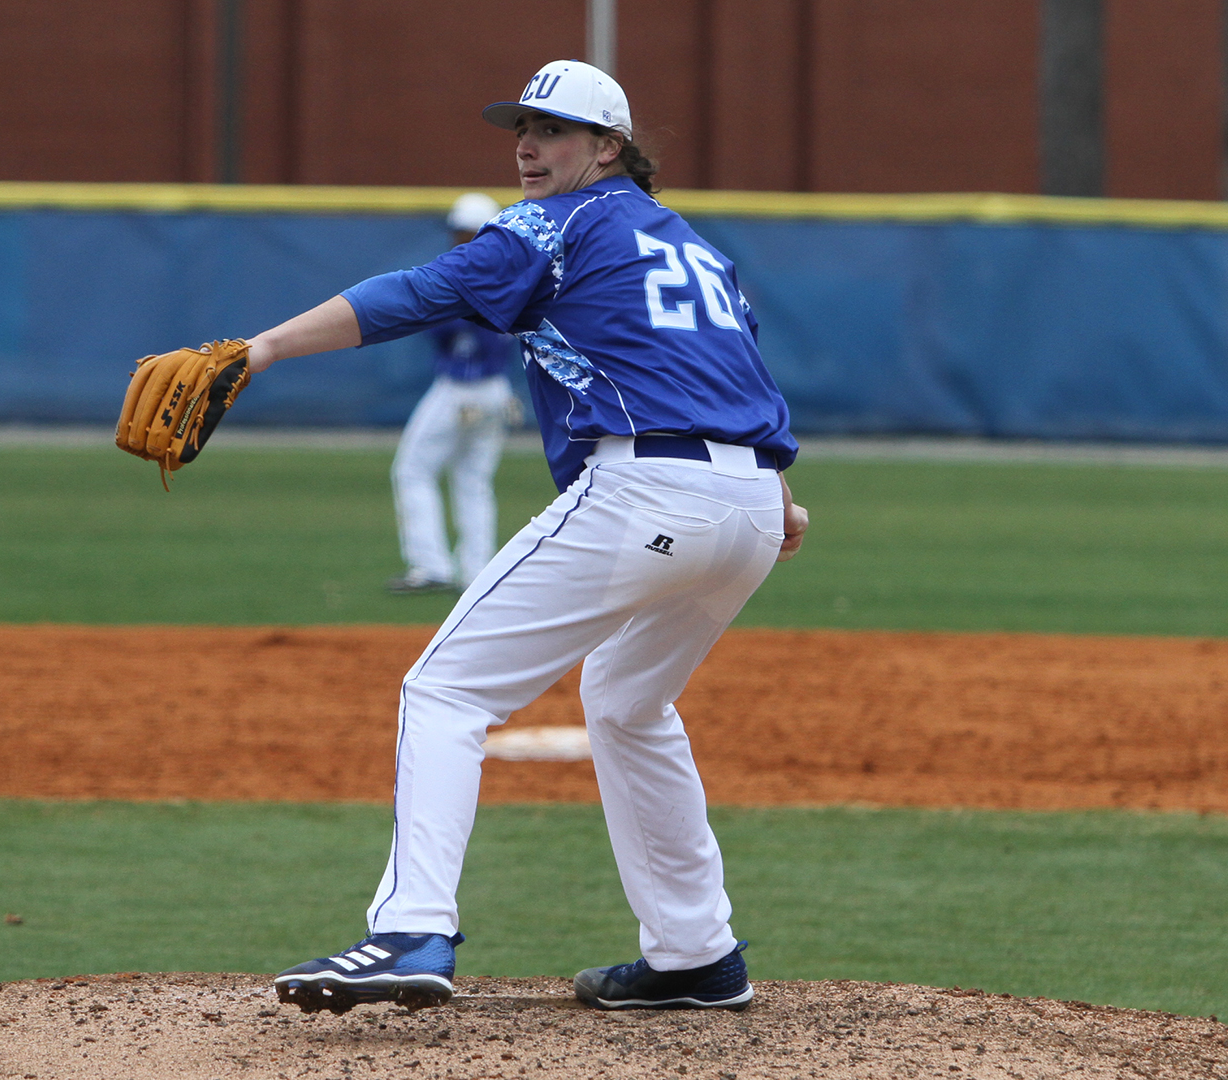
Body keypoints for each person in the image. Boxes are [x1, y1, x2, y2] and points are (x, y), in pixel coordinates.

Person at [240, 59, 808, 1014]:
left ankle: (411, 927)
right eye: (522, 129)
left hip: (648, 490)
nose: (528, 146)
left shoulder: (562, 222)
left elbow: (416, 293)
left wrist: (258, 349)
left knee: (447, 686)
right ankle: (695, 953)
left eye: (553, 131)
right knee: (627, 701)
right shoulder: (694, 248)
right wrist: (771, 493)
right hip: (749, 502)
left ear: (608, 149)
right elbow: (732, 369)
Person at [387, 193, 519, 594]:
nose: (457, 237)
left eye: (463, 230)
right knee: (474, 480)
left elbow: (446, 331)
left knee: (412, 471)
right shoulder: (513, 272)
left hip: (463, 388)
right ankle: (476, 572)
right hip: (497, 391)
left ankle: (431, 567)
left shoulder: (467, 270)